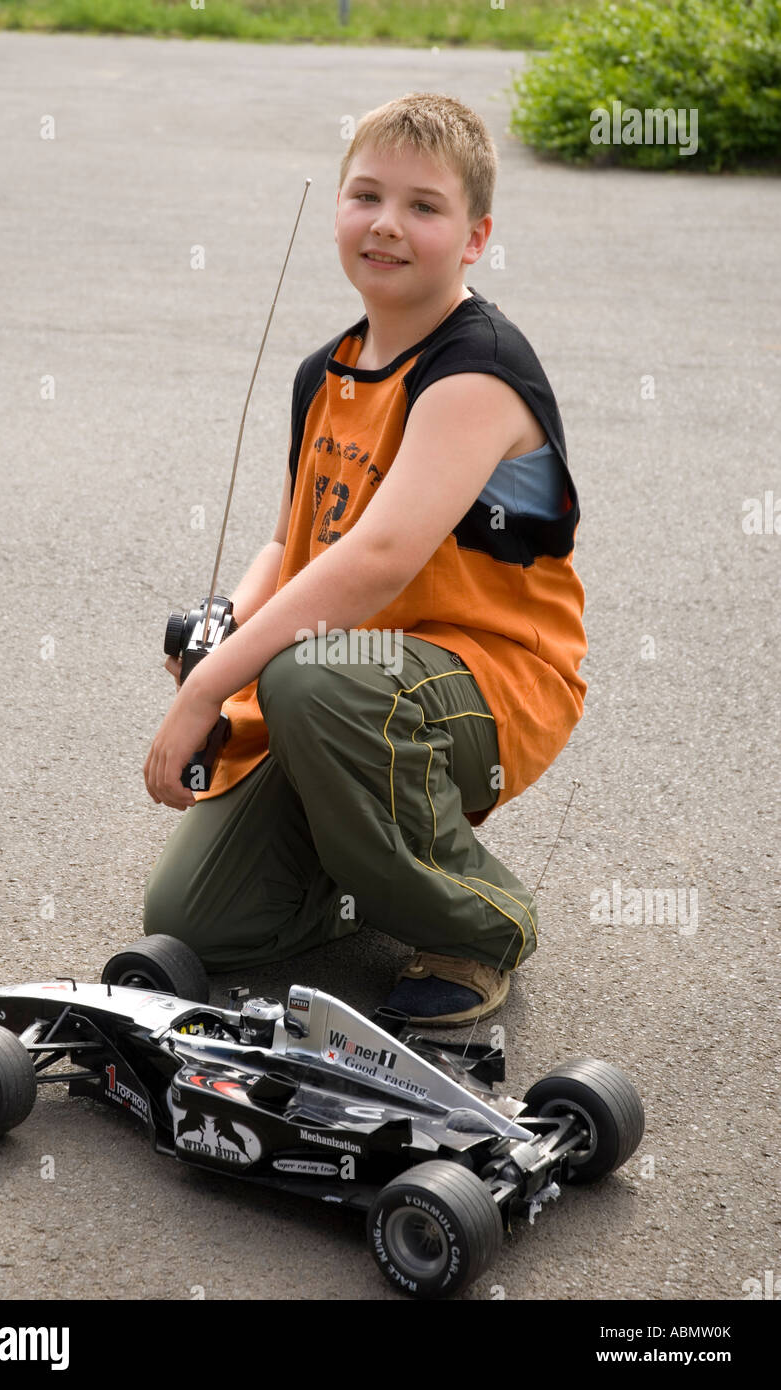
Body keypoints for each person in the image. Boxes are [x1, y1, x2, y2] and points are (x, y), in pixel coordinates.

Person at [141, 91, 587, 1028]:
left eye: (423, 207)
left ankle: (476, 926)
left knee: (311, 678)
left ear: (475, 237)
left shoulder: (475, 371)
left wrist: (203, 691)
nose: (386, 224)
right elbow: (289, 542)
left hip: (485, 683)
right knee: (193, 922)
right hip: (354, 679)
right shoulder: (327, 370)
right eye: (365, 196)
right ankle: (370, 868)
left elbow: (376, 562)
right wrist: (228, 618)